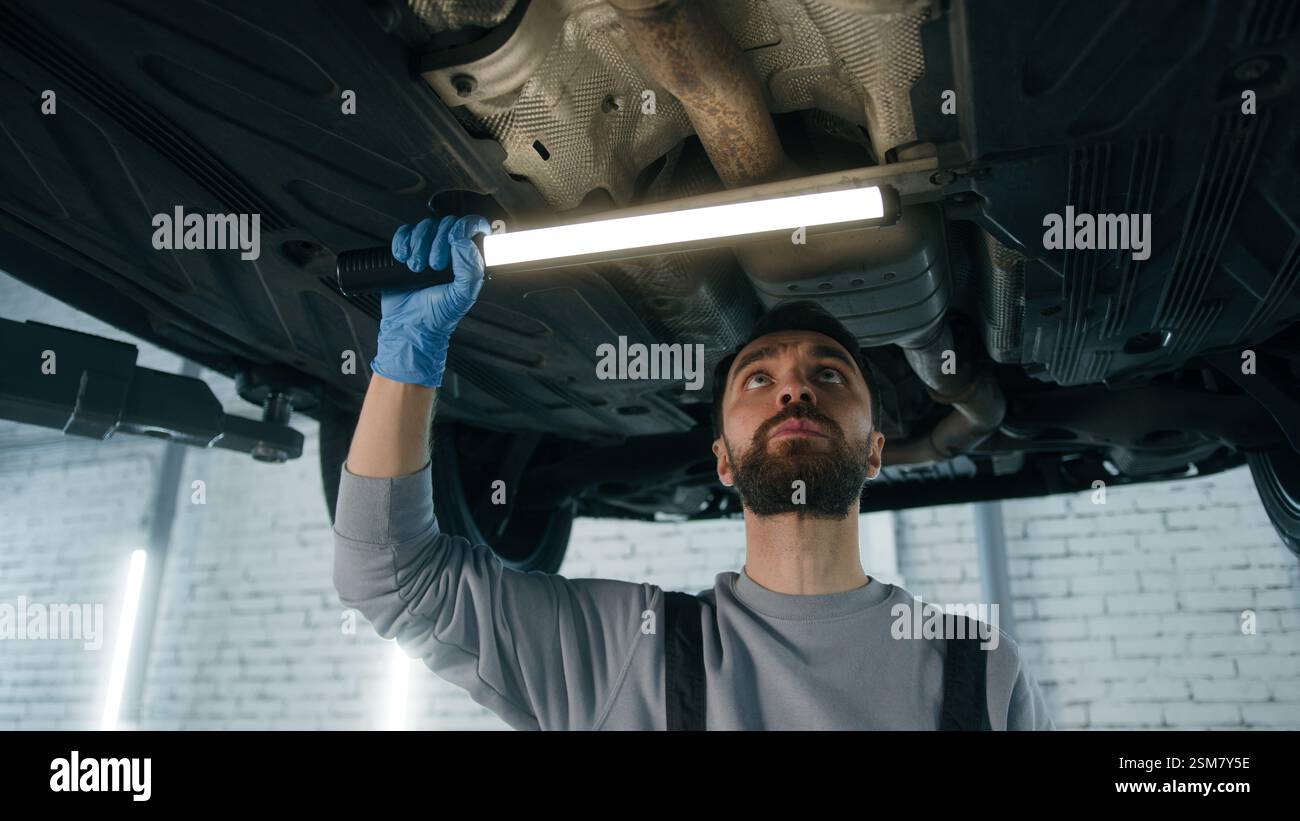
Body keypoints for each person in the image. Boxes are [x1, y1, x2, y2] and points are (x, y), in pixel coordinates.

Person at [332, 213, 1055, 730]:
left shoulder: (983, 673)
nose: (794, 389)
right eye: (758, 379)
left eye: (828, 374)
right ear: (724, 459)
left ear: (875, 450)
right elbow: (392, 577)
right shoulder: (627, 650)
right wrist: (407, 359)